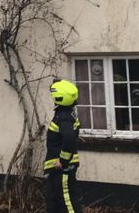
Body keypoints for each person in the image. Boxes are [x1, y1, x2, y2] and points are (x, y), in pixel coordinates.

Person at [44, 79, 81, 213]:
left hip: (62, 168)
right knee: (54, 202)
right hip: (56, 169)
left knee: (66, 202)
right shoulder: (64, 114)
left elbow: (69, 138)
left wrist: (63, 161)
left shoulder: (64, 117)